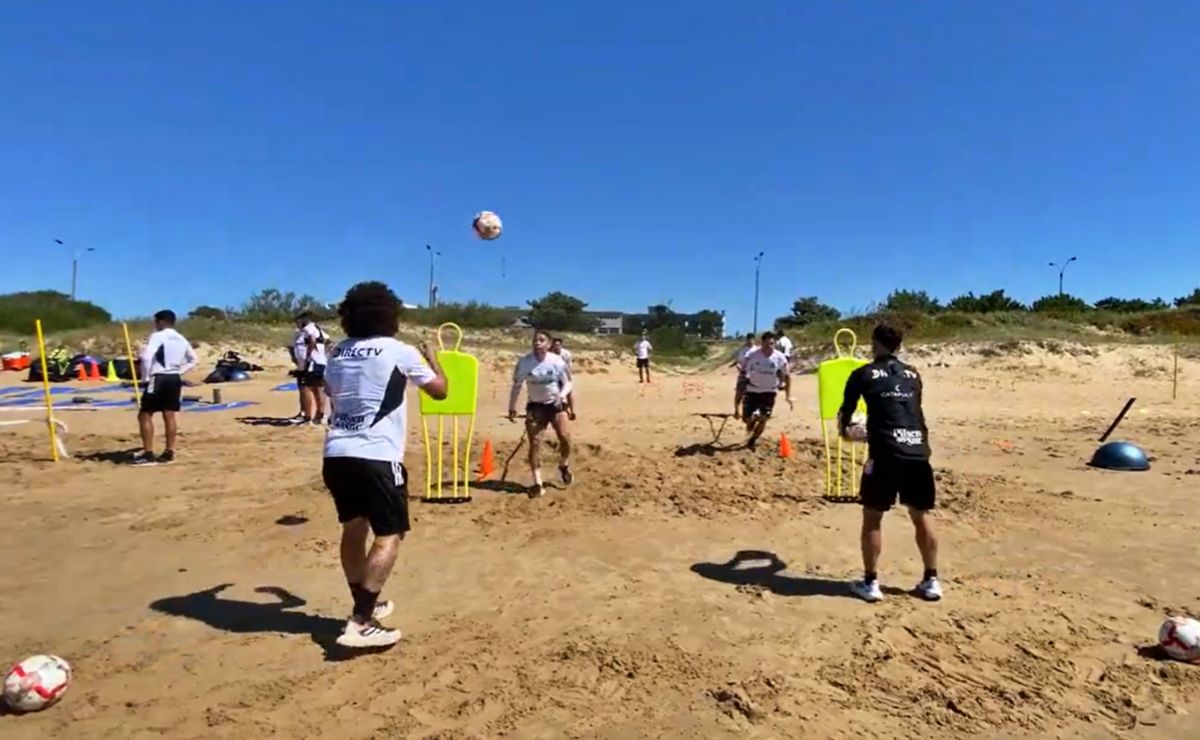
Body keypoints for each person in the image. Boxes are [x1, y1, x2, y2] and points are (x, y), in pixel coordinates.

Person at [322, 281, 448, 649]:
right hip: (377, 455)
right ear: (388, 315)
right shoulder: (399, 351)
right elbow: (440, 391)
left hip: (336, 452)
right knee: (390, 534)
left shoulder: (338, 352)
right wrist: (433, 358)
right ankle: (361, 621)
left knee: (353, 528)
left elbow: (331, 392)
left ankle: (364, 603)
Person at [838, 324, 941, 604]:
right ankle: (932, 579)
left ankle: (871, 582)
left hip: (885, 453)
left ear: (875, 344)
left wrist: (850, 431)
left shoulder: (863, 374)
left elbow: (845, 417)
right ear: (899, 345)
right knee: (921, 515)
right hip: (917, 451)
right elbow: (909, 410)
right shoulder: (913, 374)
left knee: (873, 517)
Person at [508, 329, 574, 498]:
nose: (537, 343)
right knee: (535, 443)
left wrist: (561, 396)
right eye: (535, 340)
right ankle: (537, 483)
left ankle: (563, 464)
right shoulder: (525, 362)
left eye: (541, 340)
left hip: (555, 404)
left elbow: (568, 383)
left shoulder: (557, 361)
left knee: (565, 437)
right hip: (535, 407)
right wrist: (512, 407)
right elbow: (517, 385)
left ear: (549, 344)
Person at [133, 310, 198, 466]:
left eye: (156, 322)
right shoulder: (181, 338)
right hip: (174, 378)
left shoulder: (158, 336)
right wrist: (178, 371)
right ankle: (169, 452)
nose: (154, 325)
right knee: (169, 414)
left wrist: (145, 378)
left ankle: (148, 454)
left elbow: (146, 358)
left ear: (161, 322)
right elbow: (194, 360)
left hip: (159, 377)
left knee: (145, 414)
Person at [738, 332, 792, 448]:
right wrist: (742, 384)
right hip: (752, 390)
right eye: (767, 344)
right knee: (747, 419)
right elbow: (743, 371)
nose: (769, 347)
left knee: (764, 418)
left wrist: (788, 395)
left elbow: (787, 375)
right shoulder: (752, 355)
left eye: (772, 344)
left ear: (775, 344)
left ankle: (753, 440)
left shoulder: (780, 357)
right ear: (762, 343)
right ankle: (751, 422)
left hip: (769, 392)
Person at [293, 311, 330, 425]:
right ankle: (320, 415)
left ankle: (307, 416)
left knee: (306, 388)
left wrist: (309, 356)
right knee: (318, 388)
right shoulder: (318, 330)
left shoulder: (308, 329)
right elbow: (328, 341)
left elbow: (312, 339)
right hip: (319, 362)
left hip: (311, 364)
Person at [549, 337, 576, 420]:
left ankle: (572, 411)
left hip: (564, 375)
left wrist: (569, 377)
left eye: (558, 345)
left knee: (569, 392)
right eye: (555, 345)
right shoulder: (549, 353)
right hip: (553, 375)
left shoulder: (566, 354)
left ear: (561, 345)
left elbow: (568, 366)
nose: (556, 347)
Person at [729, 333, 755, 418]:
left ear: (754, 340)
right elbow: (738, 362)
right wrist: (739, 367)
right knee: (739, 393)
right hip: (743, 374)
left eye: (752, 339)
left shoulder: (757, 350)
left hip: (754, 375)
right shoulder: (742, 350)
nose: (750, 341)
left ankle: (751, 411)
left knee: (753, 394)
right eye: (748, 339)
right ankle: (737, 410)